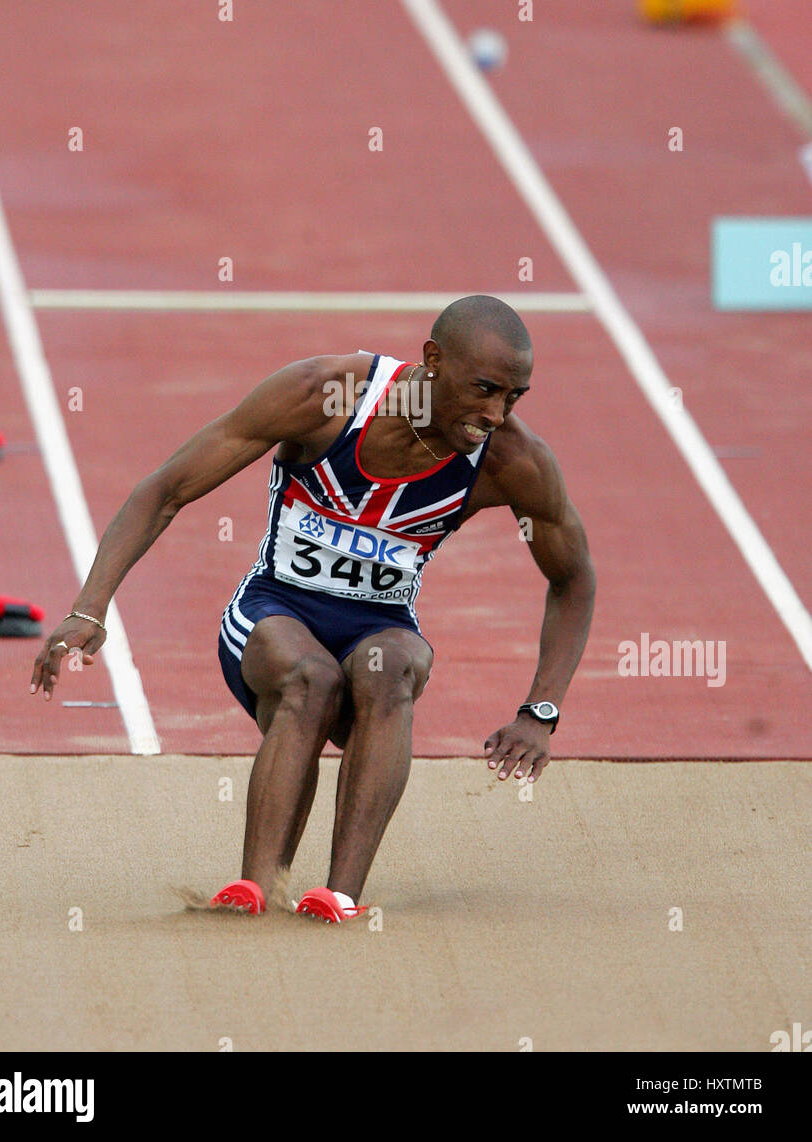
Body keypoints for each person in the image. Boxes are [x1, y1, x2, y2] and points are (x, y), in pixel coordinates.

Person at [31, 295, 595, 922]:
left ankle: (339, 895)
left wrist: (540, 711)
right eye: (484, 390)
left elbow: (573, 578)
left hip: (377, 627)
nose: (494, 414)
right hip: (274, 612)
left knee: (391, 669)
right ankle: (255, 886)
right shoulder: (326, 396)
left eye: (514, 397)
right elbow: (165, 490)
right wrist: (90, 607)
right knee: (310, 679)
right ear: (432, 359)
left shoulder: (514, 461)